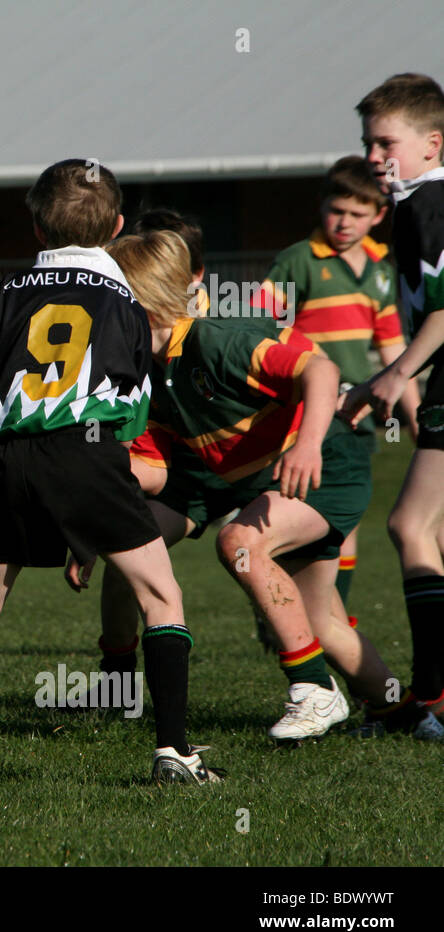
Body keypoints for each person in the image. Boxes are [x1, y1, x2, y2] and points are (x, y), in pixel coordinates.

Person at [0, 160, 217, 784]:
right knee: (161, 595)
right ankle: (174, 752)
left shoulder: (6, 294)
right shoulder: (127, 308)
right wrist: (95, 515)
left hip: (12, 462)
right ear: (115, 227)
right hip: (91, 457)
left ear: (35, 228)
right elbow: (130, 414)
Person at [102, 230, 422, 740]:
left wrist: (308, 444)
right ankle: (405, 715)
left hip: (326, 463)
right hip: (246, 477)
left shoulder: (216, 338)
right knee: (320, 621)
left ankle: (314, 689)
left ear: (144, 302)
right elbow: (156, 468)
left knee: (240, 542)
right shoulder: (146, 362)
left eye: (107, 299)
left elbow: (320, 369)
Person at [255, 157, 414, 626]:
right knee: (296, 510)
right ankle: (281, 606)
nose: (343, 222)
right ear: (321, 206)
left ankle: (327, 616)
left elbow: (392, 349)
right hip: (305, 413)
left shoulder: (383, 270)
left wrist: (414, 415)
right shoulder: (298, 259)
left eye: (356, 213)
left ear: (378, 215)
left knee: (346, 521)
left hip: (356, 414)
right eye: (335, 210)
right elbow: (263, 327)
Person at [344, 73, 444, 728]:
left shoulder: (426, 206)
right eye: (367, 143)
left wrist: (397, 373)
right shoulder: (415, 205)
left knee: (409, 526)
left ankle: (433, 699)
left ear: (432, 144)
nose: (374, 157)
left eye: (387, 142)